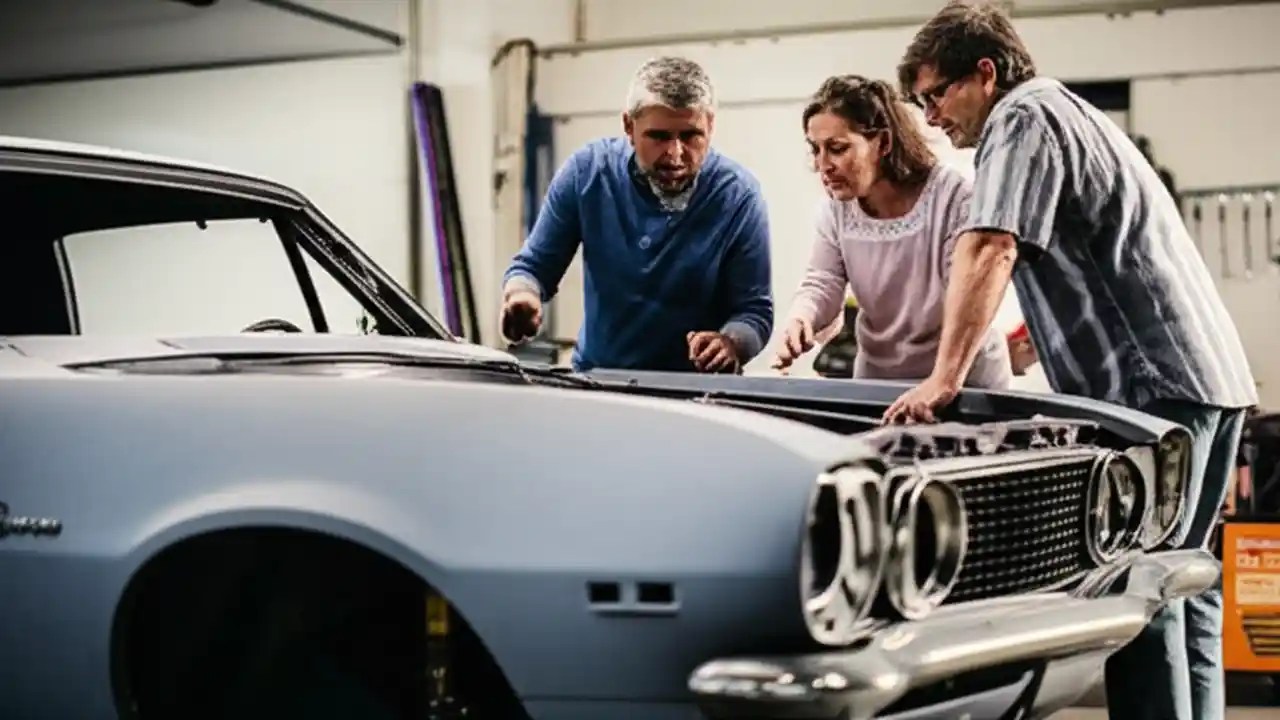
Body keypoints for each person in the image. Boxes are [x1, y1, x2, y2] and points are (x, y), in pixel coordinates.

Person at [887, 3, 1257, 720]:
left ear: (985, 73)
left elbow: (991, 245)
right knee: (1188, 586)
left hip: (1152, 390)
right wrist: (1023, 345)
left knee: (1137, 594)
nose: (931, 117)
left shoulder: (1020, 119)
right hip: (1209, 379)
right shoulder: (1070, 112)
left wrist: (944, 378)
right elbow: (1091, 262)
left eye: (937, 95)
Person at [499, 56, 773, 374]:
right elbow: (533, 267)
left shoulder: (739, 196)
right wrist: (522, 296)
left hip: (698, 394)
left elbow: (755, 312)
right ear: (629, 127)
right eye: (658, 136)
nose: (675, 154)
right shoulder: (588, 173)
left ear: (710, 126)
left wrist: (731, 343)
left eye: (690, 136)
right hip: (601, 383)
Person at [771, 75, 1011, 389]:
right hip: (879, 383)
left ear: (883, 143)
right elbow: (823, 281)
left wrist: (943, 380)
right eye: (815, 149)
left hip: (962, 380)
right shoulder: (836, 209)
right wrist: (802, 319)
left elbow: (966, 299)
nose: (823, 164)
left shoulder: (953, 198)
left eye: (837, 148)